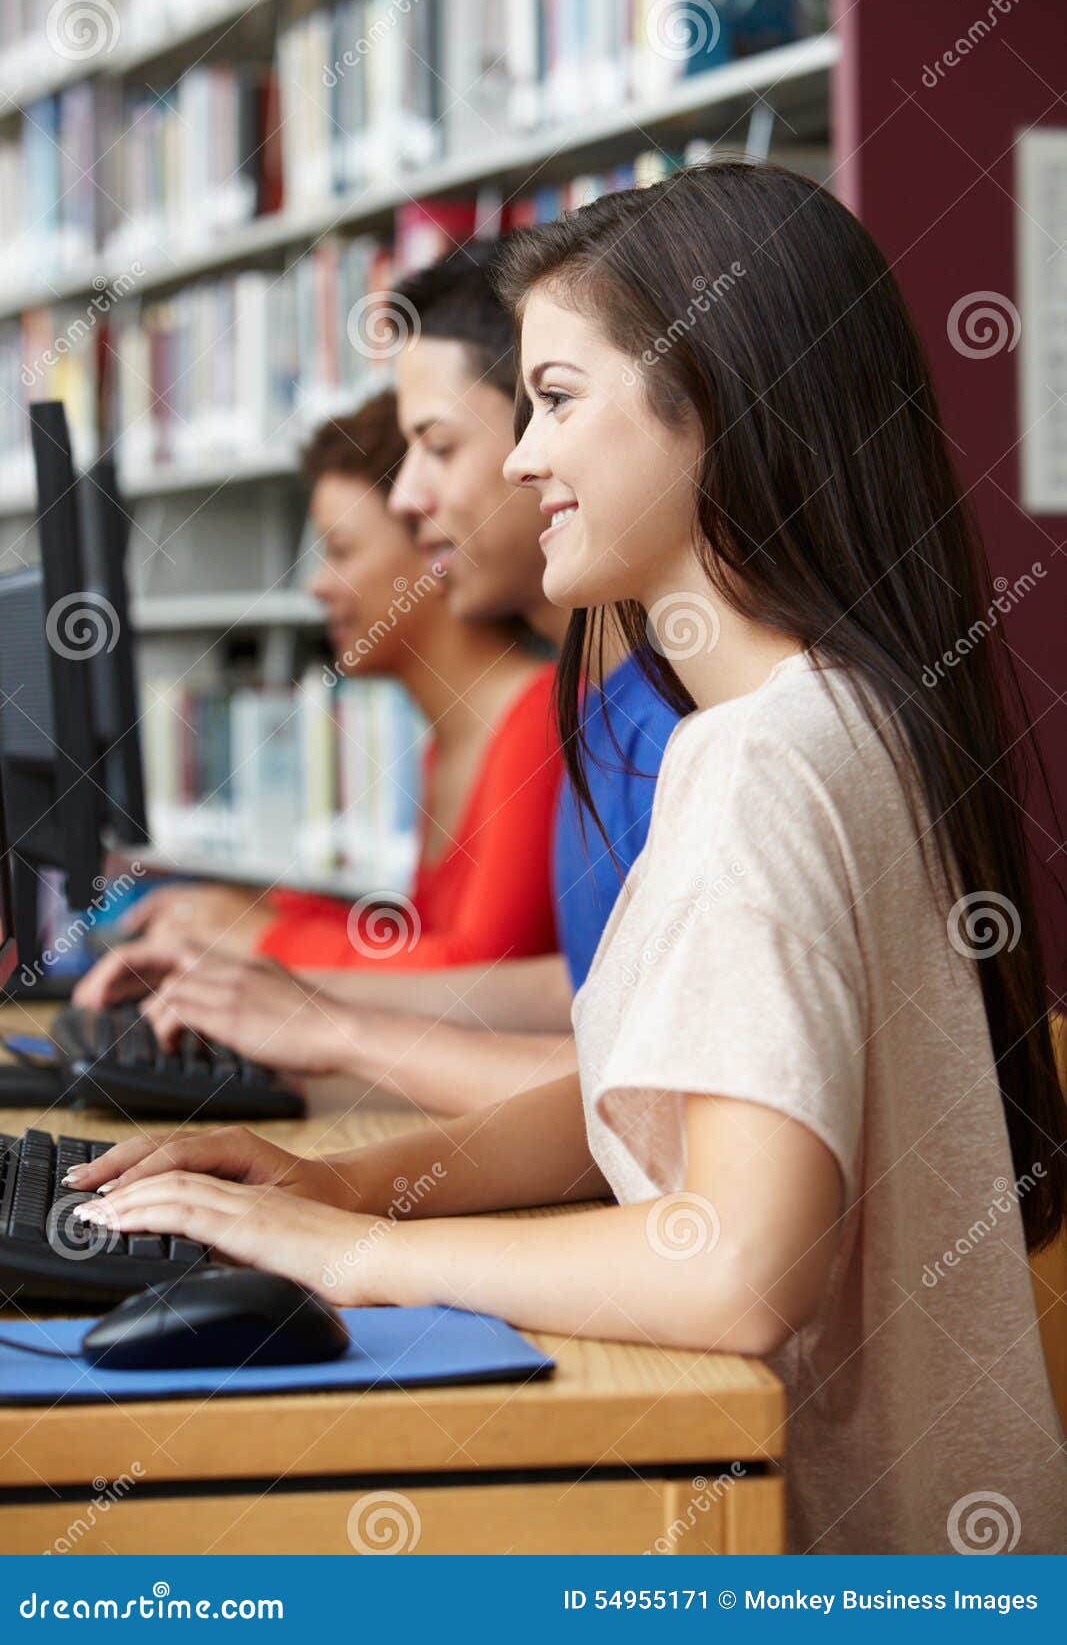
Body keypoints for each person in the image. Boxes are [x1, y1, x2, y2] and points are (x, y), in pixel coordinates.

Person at [67, 160, 1067, 1553]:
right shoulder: (828, 711)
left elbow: (730, 1266)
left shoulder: (756, 760)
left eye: (552, 400)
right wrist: (348, 1182)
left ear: (710, 402)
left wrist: (355, 1254)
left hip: (853, 1575)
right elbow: (644, 1090)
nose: (520, 457)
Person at [77, 244, 682, 1112]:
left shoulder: (652, 725)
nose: (409, 499)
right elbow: (584, 1007)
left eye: (436, 447)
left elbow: (620, 1073)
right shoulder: (601, 709)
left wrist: (300, 988)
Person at [115, 389, 562, 973]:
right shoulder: (450, 738)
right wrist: (248, 914)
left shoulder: (539, 718)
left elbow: (475, 976)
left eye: (341, 551)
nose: (318, 587)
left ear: (433, 548)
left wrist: (258, 938)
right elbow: (424, 935)